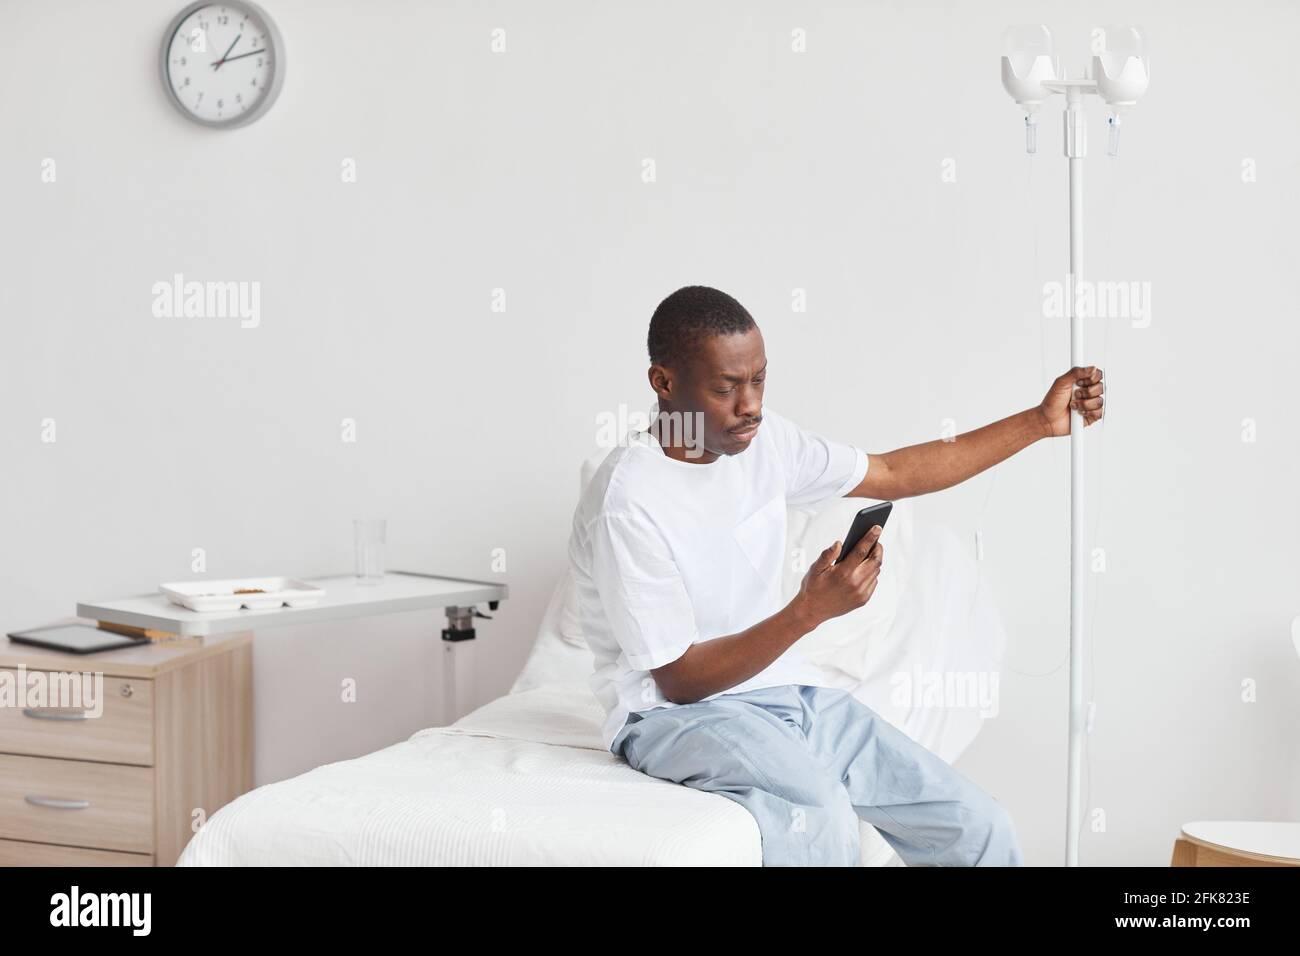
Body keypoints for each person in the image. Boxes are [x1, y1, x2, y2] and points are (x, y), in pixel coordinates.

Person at [568, 285, 1104, 866]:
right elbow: (677, 679)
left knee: (976, 825)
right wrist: (809, 611)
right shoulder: (628, 498)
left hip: (783, 693)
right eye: (726, 388)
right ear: (664, 383)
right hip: (670, 716)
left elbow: (895, 472)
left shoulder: (763, 441)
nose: (750, 404)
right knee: (818, 816)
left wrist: (1038, 422)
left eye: (760, 380)